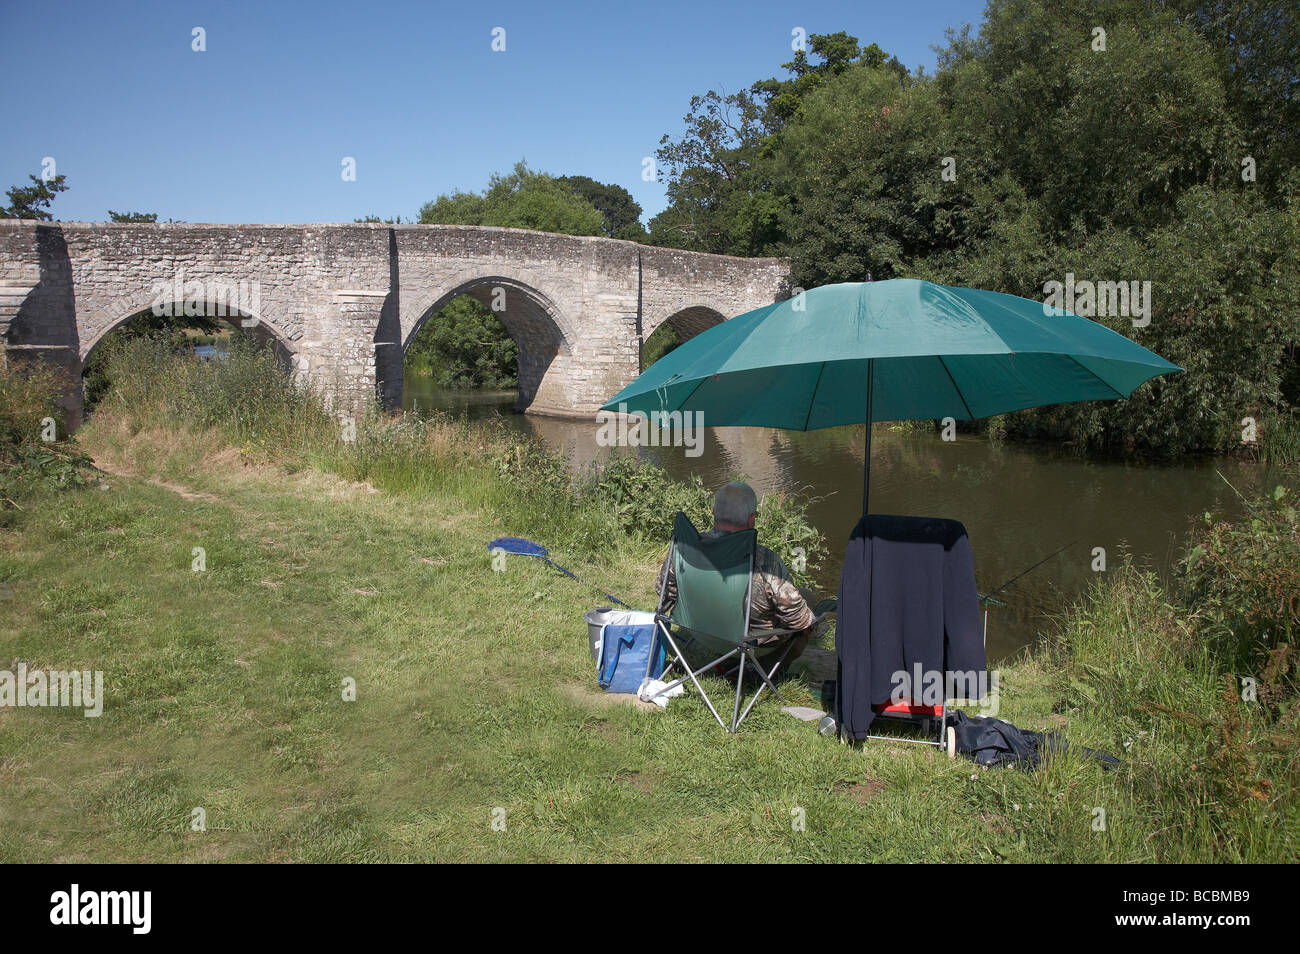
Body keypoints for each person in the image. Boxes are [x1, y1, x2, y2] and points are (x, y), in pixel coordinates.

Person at [655, 481, 833, 669]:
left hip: (701, 633)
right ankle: (760, 670)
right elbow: (799, 620)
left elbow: (663, 592)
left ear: (714, 512)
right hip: (747, 645)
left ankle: (727, 664)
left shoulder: (686, 548)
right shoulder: (765, 560)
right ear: (751, 520)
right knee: (807, 597)